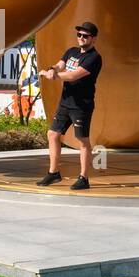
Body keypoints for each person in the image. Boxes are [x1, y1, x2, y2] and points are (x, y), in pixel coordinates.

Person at [36, 21, 102, 190]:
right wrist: (51, 69)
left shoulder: (94, 58)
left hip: (81, 106)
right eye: (79, 34)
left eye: (85, 36)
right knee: (52, 134)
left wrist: (54, 76)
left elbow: (74, 76)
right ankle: (53, 173)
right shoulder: (71, 51)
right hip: (65, 103)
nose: (81, 38)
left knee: (82, 140)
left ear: (93, 39)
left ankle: (84, 178)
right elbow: (60, 65)